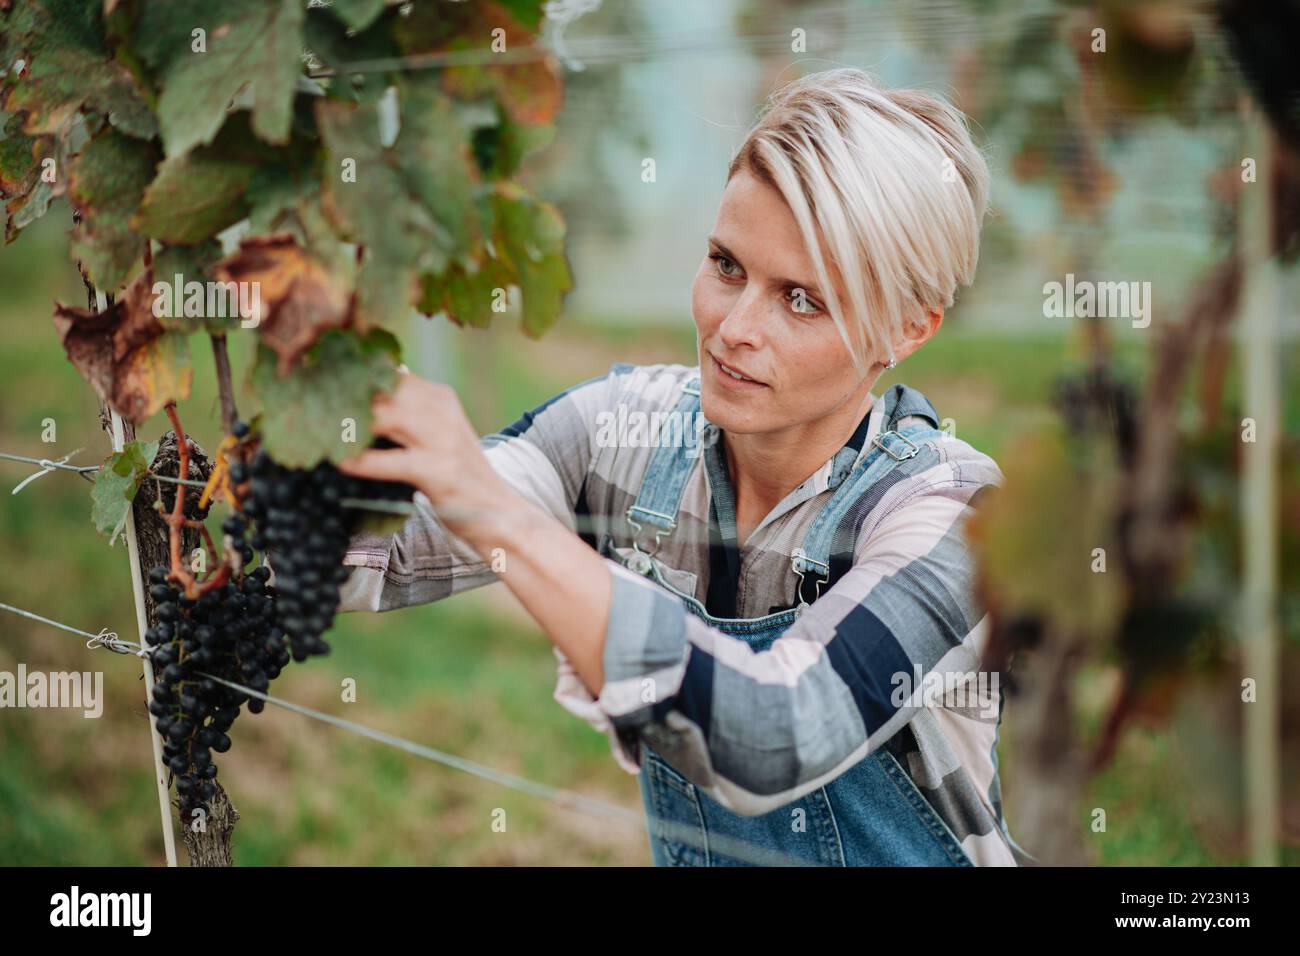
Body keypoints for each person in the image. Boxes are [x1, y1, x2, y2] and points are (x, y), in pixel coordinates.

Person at [337, 67, 1033, 867]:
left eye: (800, 300)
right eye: (727, 265)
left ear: (908, 329)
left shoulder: (954, 516)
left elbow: (774, 737)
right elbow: (378, 556)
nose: (734, 327)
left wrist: (500, 519)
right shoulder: (619, 433)